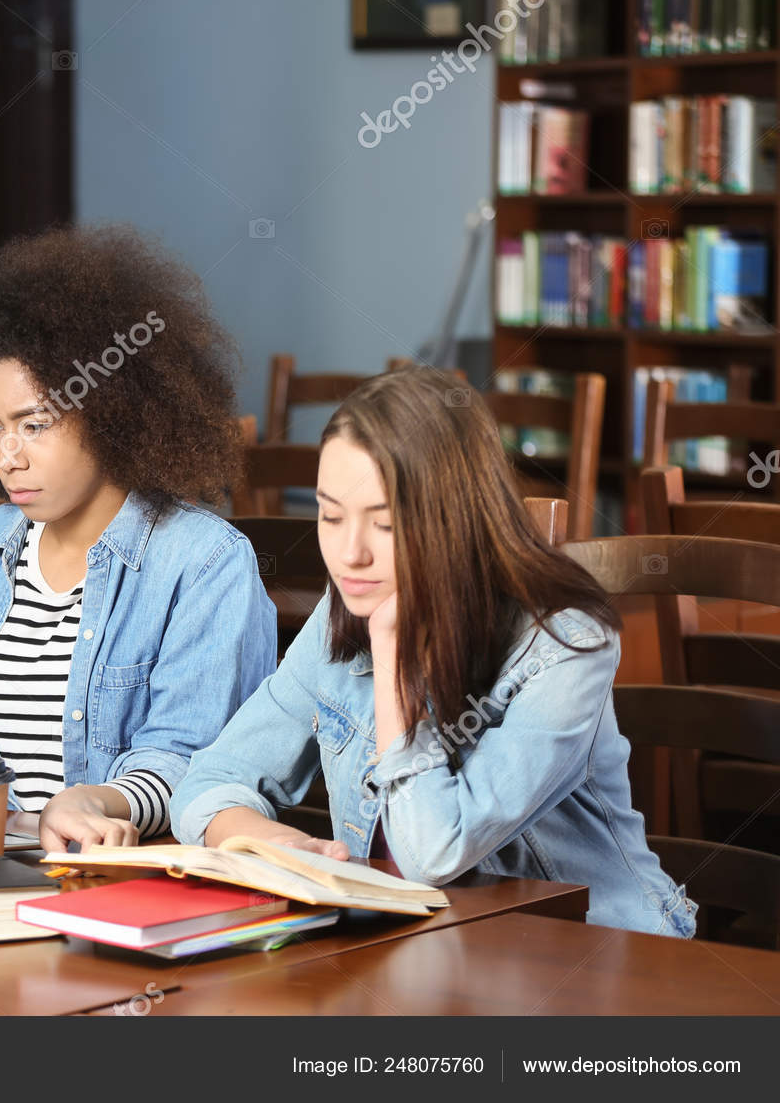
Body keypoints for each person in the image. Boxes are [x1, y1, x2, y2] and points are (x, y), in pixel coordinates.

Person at [170, 366, 697, 936]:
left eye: (386, 523)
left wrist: (394, 649)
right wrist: (269, 841)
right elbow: (209, 779)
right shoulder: (342, 611)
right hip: (424, 949)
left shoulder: (565, 642)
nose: (350, 554)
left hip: (591, 952)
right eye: (330, 515)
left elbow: (433, 854)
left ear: (458, 522)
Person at [0, 224, 277, 852]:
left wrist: (93, 801)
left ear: (114, 411)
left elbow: (194, 760)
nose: (5, 456)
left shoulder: (202, 562)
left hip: (111, 876)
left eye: (34, 425)